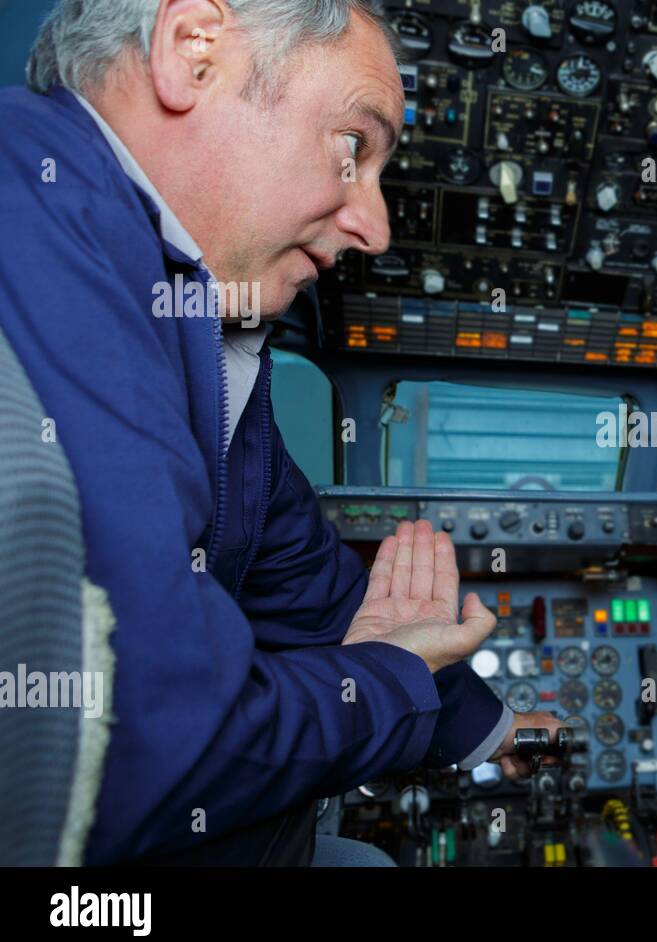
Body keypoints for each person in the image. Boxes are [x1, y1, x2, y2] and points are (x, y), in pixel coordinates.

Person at [0, 0, 562, 865]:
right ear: (193, 51)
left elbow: (296, 571)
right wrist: (394, 684)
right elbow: (157, 743)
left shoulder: (190, 306)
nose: (373, 228)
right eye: (352, 148)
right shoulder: (34, 222)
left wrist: (484, 727)